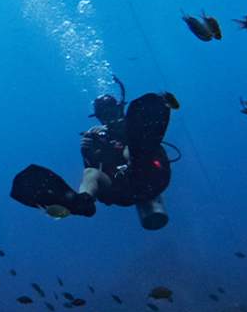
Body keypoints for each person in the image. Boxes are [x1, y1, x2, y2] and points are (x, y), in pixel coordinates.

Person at [10, 76, 175, 230]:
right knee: (90, 173)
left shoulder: (135, 126)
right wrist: (89, 151)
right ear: (98, 118)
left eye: (111, 111)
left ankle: (139, 157)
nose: (109, 117)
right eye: (104, 114)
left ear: (120, 108)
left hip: (152, 175)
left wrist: (122, 135)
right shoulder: (95, 138)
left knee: (131, 148)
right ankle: (82, 202)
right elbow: (94, 171)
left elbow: (141, 135)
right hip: (124, 190)